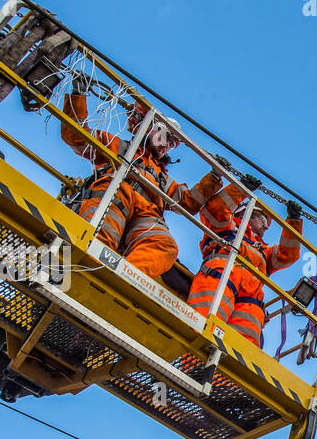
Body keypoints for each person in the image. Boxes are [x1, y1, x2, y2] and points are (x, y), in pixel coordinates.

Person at [60, 85, 221, 279]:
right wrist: (78, 94)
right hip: (114, 197)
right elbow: (77, 138)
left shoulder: (161, 178)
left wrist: (214, 177)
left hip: (145, 215)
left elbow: (188, 203)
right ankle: (84, 271)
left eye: (173, 144)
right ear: (151, 129)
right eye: (167, 138)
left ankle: (123, 279)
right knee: (101, 235)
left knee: (164, 246)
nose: (167, 146)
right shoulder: (121, 148)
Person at [186, 179, 303, 346]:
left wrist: (293, 222)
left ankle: (221, 372)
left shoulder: (263, 251)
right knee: (203, 328)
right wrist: (240, 189)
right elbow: (215, 210)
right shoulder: (227, 227)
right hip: (220, 279)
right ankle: (193, 365)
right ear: (245, 213)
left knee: (240, 351)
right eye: (263, 219)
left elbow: (288, 255)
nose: (266, 226)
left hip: (250, 301)